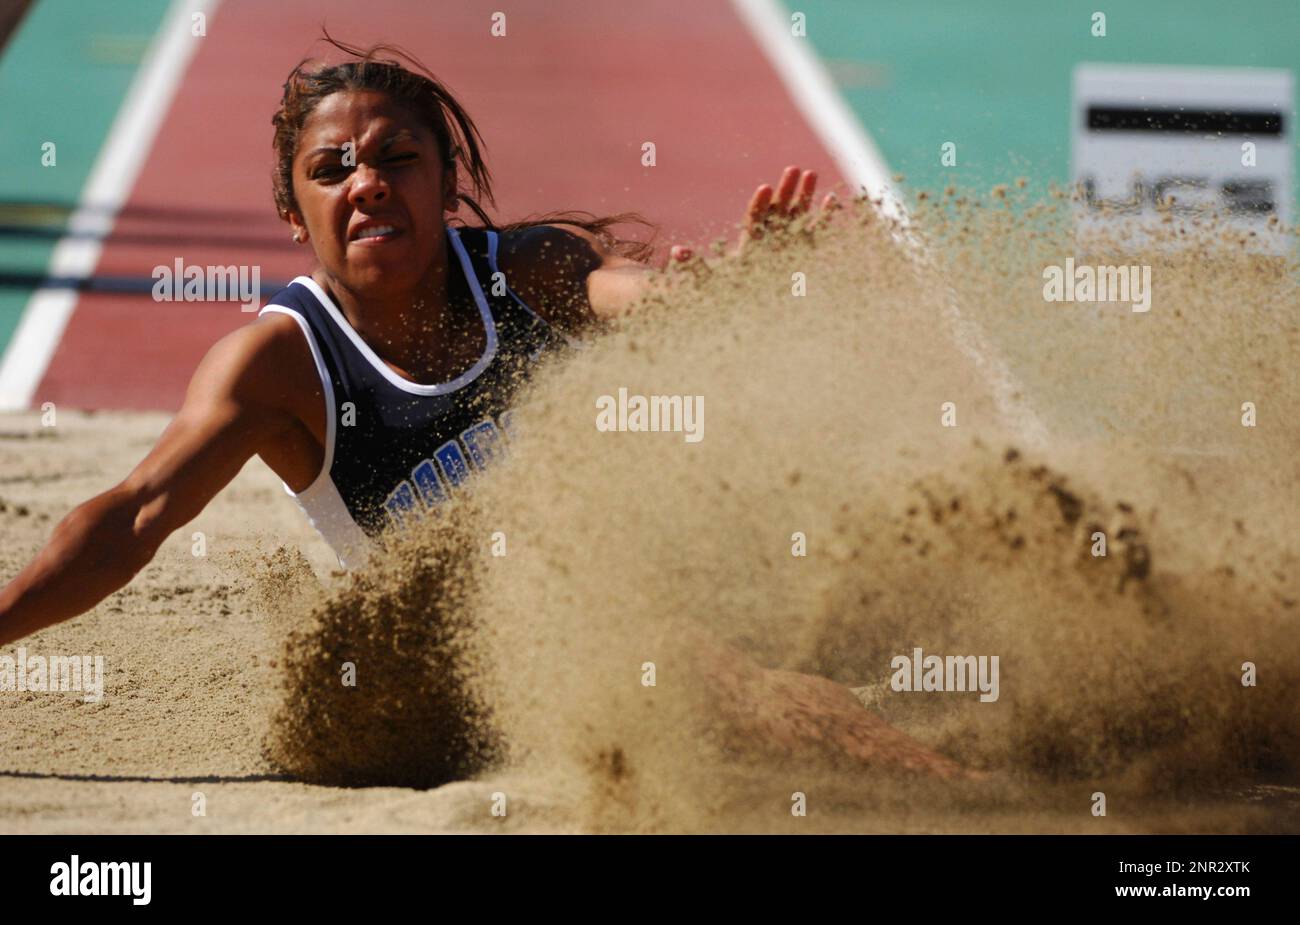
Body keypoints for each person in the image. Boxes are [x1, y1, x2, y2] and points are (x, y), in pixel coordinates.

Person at [0, 38, 970, 781]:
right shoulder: (279, 363)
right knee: (681, 662)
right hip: (495, 672)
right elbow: (133, 514)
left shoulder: (526, 272)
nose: (367, 180)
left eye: (396, 158)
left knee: (882, 567)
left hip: (649, 568)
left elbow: (654, 301)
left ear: (447, 183)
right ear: (294, 215)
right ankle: (950, 794)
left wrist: (745, 279)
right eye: (332, 168)